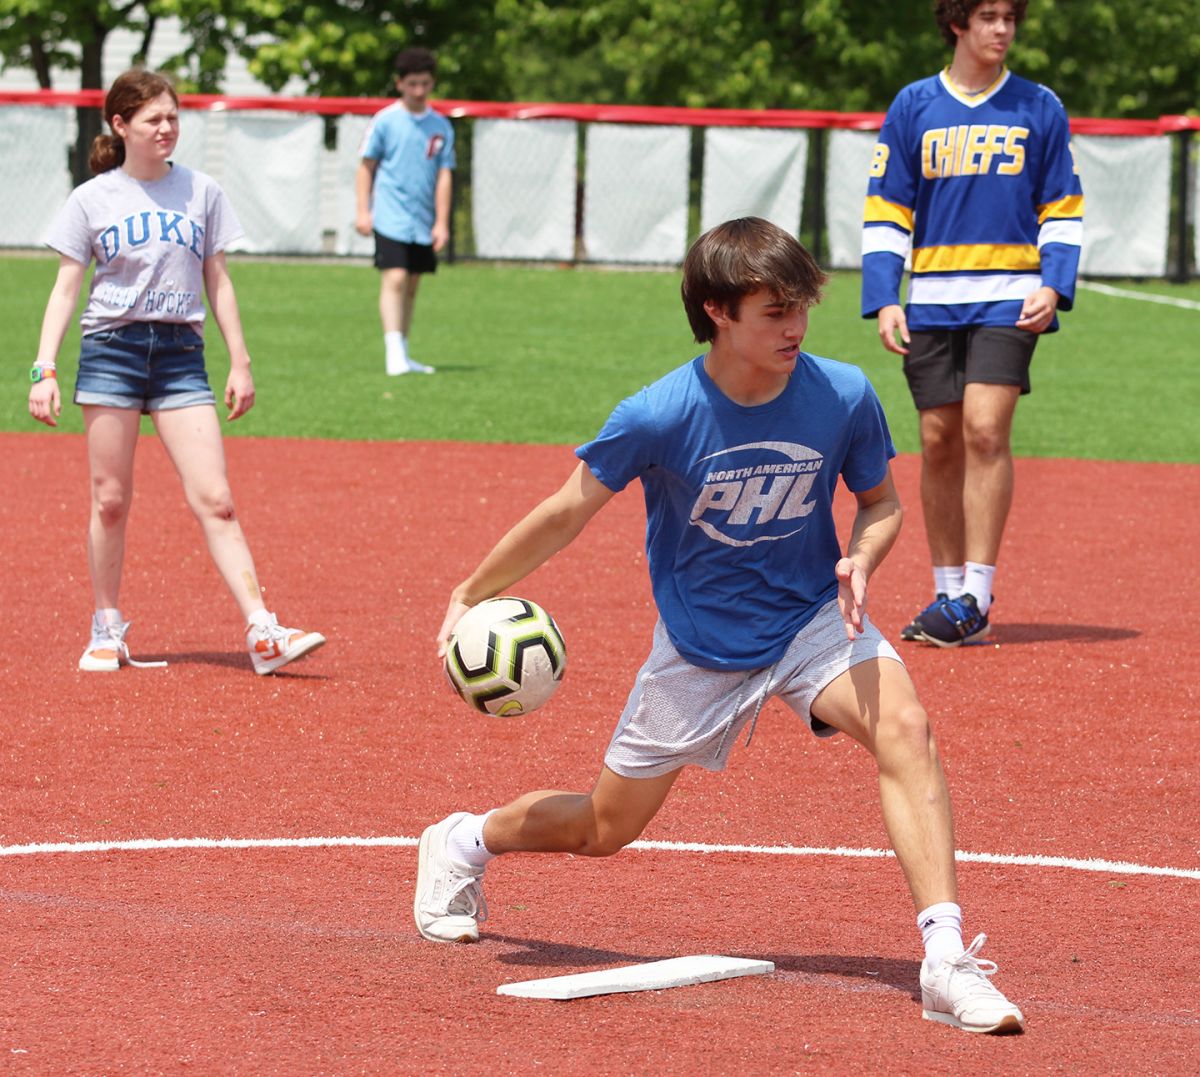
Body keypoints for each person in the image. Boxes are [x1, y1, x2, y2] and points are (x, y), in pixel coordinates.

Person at [414, 218, 1025, 1034]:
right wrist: (467, 588)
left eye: (801, 306)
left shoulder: (841, 393)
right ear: (718, 311)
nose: (795, 326)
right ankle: (463, 840)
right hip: (700, 645)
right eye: (774, 311)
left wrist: (862, 557)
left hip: (812, 619)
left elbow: (879, 504)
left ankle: (944, 959)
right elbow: (566, 513)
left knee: (906, 729)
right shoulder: (659, 412)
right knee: (604, 828)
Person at [27, 68, 326, 677]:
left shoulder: (201, 191)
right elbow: (65, 289)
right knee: (110, 500)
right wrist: (45, 367)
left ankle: (262, 631)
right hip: (111, 348)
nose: (166, 129)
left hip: (180, 355)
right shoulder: (92, 198)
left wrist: (239, 360)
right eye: (152, 119)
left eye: (172, 118)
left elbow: (218, 278)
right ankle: (107, 627)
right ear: (120, 125)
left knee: (216, 499)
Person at [861, 0, 1083, 647]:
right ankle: (948, 591)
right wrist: (885, 294)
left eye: (1010, 18)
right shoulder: (913, 107)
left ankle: (977, 595)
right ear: (957, 22)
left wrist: (1054, 283)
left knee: (985, 429)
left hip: (1011, 299)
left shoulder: (1040, 107)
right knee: (937, 439)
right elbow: (886, 208)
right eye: (988, 16)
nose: (1003, 30)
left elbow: (1064, 206)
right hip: (930, 298)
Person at [355, 46, 455, 376]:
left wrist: (441, 222)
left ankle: (404, 351)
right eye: (412, 83)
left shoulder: (441, 126)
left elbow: (444, 176)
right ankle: (392, 352)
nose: (419, 90)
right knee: (395, 279)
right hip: (390, 216)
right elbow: (366, 166)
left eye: (425, 83)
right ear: (399, 83)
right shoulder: (384, 121)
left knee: (412, 284)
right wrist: (363, 210)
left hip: (422, 221)